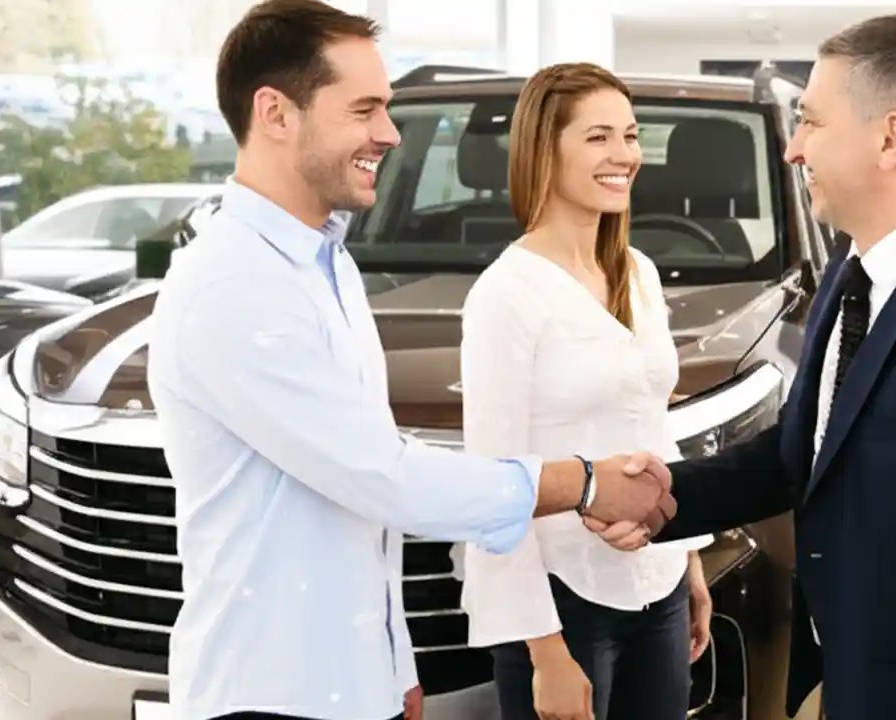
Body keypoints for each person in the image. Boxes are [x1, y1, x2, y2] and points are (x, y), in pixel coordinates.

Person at [144, 3, 676, 720]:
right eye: (365, 110)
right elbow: (385, 478)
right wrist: (583, 483)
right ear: (275, 113)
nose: (389, 134)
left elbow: (359, 507)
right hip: (272, 697)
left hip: (351, 686)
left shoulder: (327, 266)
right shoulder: (233, 286)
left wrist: (392, 663)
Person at [591, 13, 896, 720]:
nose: (794, 149)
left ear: (890, 138)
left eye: (811, 123)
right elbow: (806, 452)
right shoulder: (852, 277)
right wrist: (667, 497)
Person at [458, 63, 715, 720]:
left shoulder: (638, 271)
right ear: (546, 149)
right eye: (599, 137)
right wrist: (545, 654)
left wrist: (688, 565)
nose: (624, 155)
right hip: (562, 602)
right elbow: (493, 488)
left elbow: (654, 426)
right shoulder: (506, 295)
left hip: (657, 588)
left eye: (630, 136)